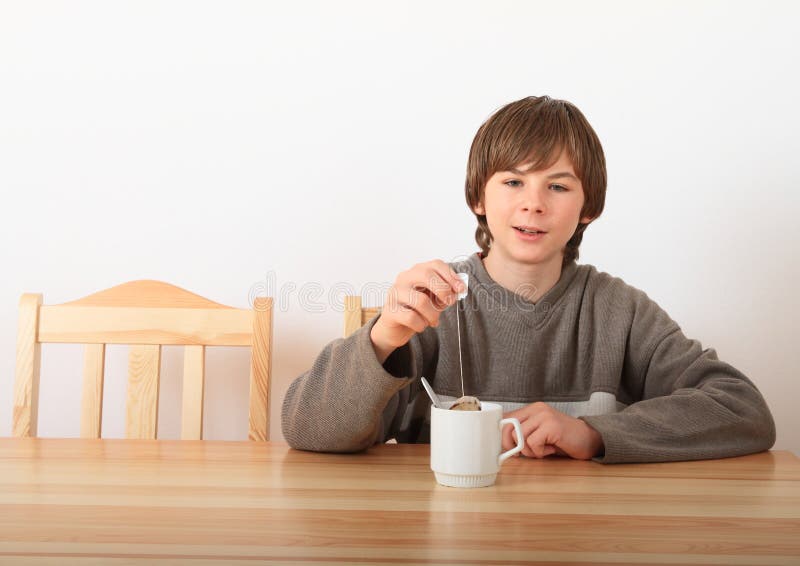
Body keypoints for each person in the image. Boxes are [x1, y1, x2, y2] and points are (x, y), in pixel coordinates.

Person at [281, 95, 775, 463]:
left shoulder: (618, 311)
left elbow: (742, 410)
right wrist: (384, 336)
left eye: (557, 186)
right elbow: (306, 428)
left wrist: (595, 433)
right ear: (479, 197)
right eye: (513, 181)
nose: (533, 203)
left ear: (589, 208)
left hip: (578, 537)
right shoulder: (430, 304)